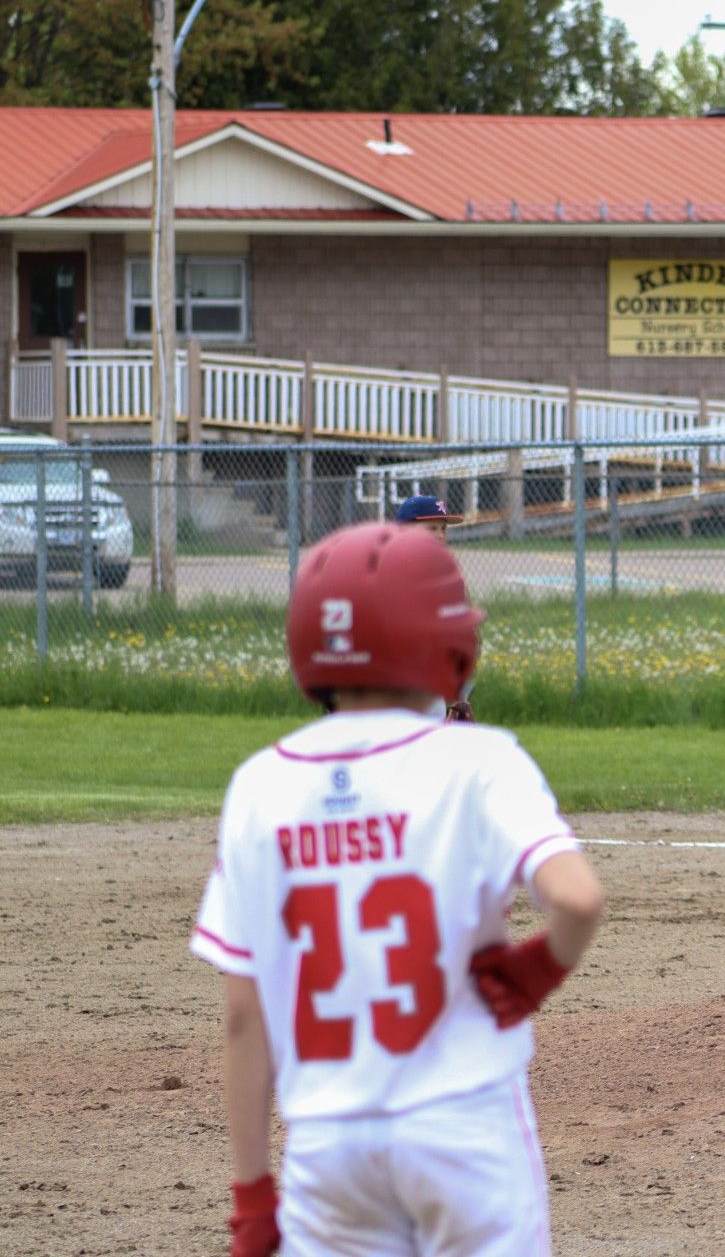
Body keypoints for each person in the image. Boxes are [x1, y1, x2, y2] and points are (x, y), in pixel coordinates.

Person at [190, 521, 605, 1257]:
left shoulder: (259, 786)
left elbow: (242, 1015)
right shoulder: (478, 760)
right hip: (464, 1128)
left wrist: (253, 1195)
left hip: (329, 1145)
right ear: (441, 640)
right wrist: (537, 969)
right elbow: (576, 899)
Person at [395, 495, 475, 721]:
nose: (440, 535)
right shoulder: (383, 576)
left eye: (443, 529)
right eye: (431, 528)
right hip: (387, 692)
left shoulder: (444, 578)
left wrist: (460, 700)